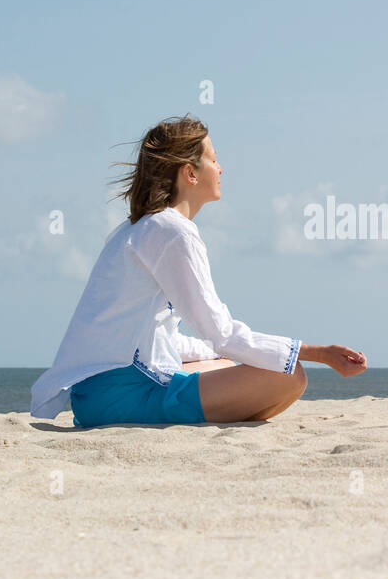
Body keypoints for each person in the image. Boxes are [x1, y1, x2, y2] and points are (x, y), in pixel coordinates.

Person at [30, 115, 366, 426]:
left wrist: (222, 356)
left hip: (95, 394)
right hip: (119, 394)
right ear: (190, 173)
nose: (221, 169)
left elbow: (164, 338)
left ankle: (209, 411)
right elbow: (221, 332)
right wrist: (319, 353)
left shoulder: (138, 228)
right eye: (214, 159)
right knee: (290, 374)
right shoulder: (172, 231)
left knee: (229, 364)